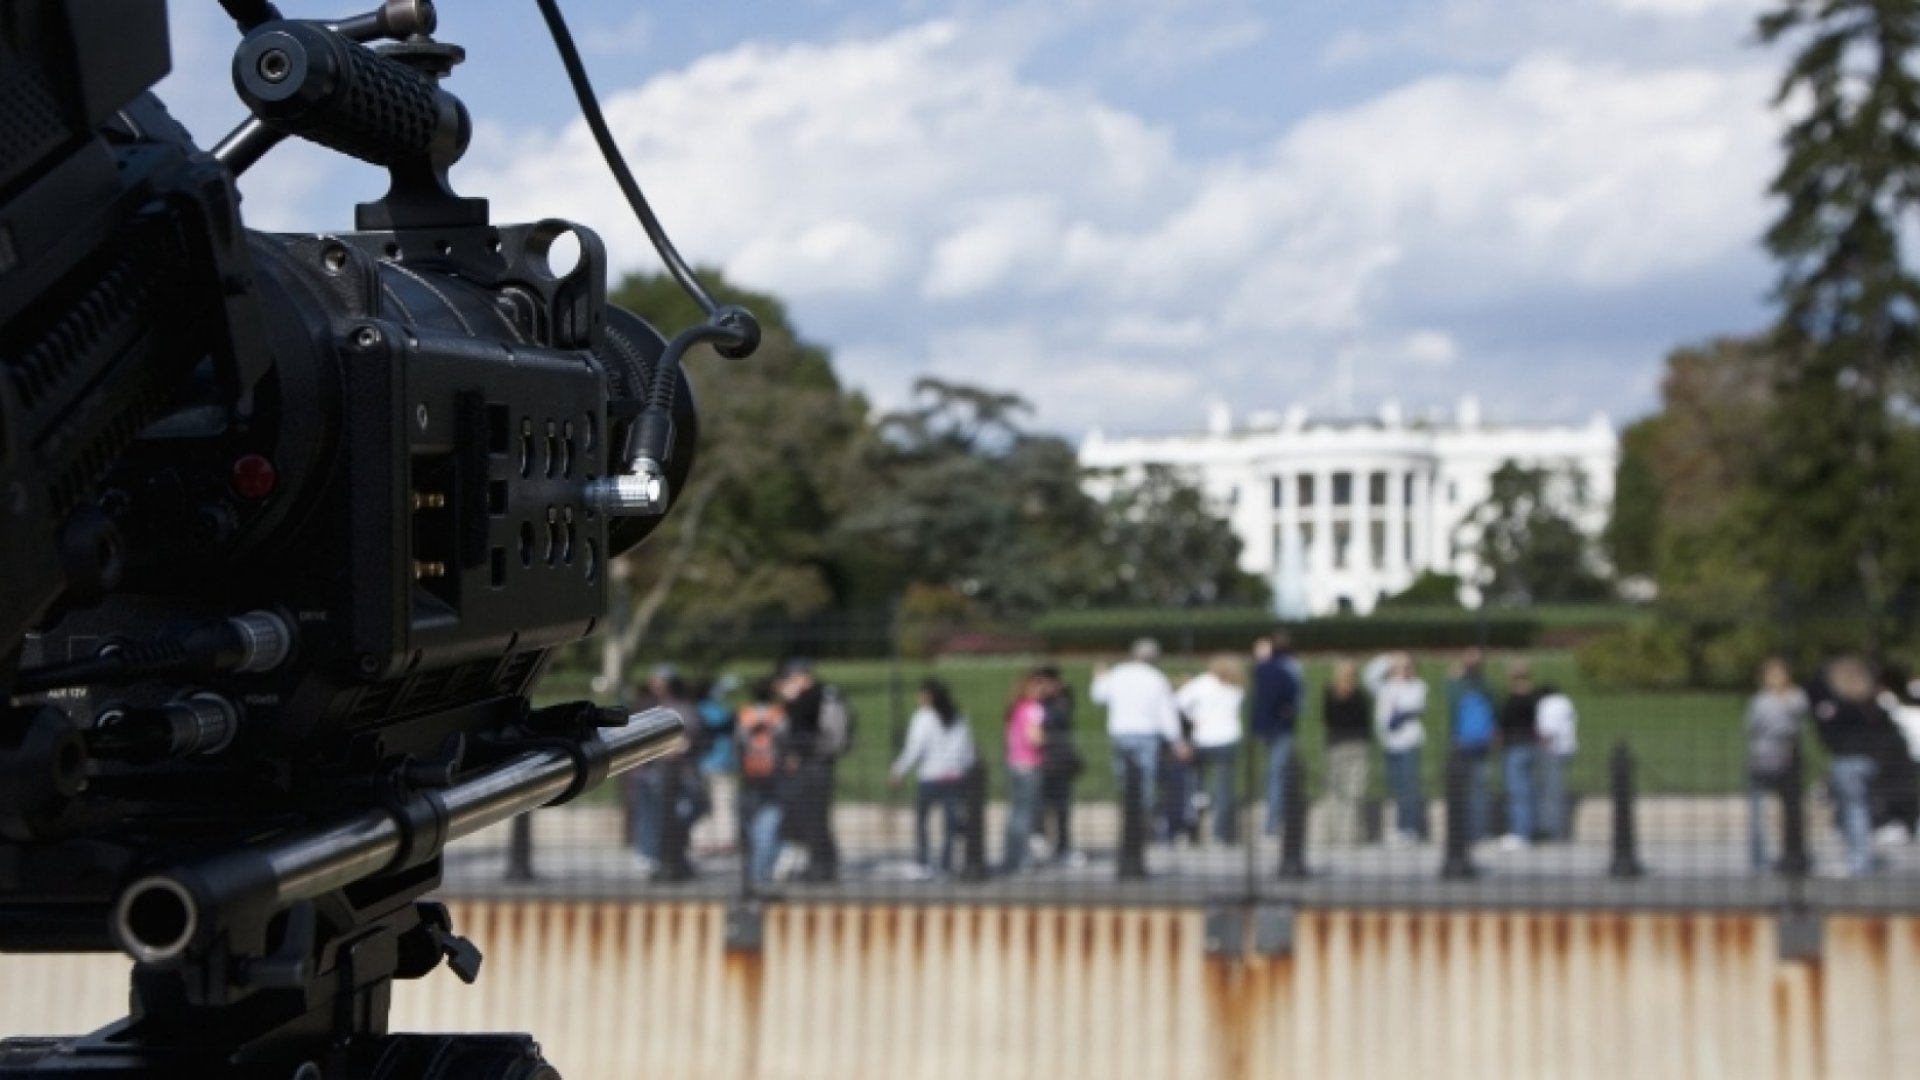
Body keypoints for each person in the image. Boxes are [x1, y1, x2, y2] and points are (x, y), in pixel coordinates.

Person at [1091, 638, 1186, 827]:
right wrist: (1177, 740)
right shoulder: (1156, 677)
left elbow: (1098, 696)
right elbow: (1166, 713)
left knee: (1124, 778)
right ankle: (1142, 823)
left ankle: (1129, 820)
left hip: (1121, 732)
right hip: (1146, 734)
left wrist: (1099, 677)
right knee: (1146, 782)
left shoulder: (1118, 673)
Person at [889, 678, 976, 879]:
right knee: (950, 825)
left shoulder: (923, 718)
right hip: (954, 777)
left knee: (922, 821)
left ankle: (922, 861)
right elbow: (967, 749)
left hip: (930, 777)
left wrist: (898, 769)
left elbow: (915, 749)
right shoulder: (959, 716)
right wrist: (963, 769)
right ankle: (946, 864)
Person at [1811, 656, 1882, 877]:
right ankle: (1857, 857)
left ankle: (1859, 862)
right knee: (1853, 810)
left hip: (1848, 760)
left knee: (1854, 811)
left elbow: (1828, 731)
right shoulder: (1867, 704)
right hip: (1866, 760)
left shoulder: (1841, 705)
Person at [779, 658, 848, 883]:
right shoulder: (801, 700)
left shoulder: (824, 697)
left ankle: (823, 865)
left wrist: (809, 750)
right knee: (809, 817)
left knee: (816, 816)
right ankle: (819, 862)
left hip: (817, 763)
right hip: (806, 764)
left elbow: (832, 735)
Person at [1744, 657, 1807, 872]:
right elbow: (1752, 725)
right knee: (1757, 815)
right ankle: (1758, 860)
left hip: (1785, 761)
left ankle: (1790, 855)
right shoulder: (1761, 700)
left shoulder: (1795, 698)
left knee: (1790, 813)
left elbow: (1795, 723)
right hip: (1761, 759)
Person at [1177, 654, 1246, 844]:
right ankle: (1220, 834)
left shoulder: (1202, 683)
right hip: (1227, 738)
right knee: (1223, 789)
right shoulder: (1236, 686)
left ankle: (1193, 830)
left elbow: (1179, 702)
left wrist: (1193, 718)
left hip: (1203, 738)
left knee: (1196, 786)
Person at [735, 678, 790, 887]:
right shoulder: (779, 715)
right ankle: (762, 870)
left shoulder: (744, 714)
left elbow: (739, 742)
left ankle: (754, 871)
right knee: (770, 822)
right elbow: (786, 740)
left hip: (750, 774)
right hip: (773, 773)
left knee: (750, 824)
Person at [1368, 652, 1428, 845]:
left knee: (1408, 787)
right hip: (1390, 744)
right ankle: (1402, 827)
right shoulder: (1386, 686)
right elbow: (1370, 675)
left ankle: (1409, 828)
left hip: (1408, 742)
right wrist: (1388, 659)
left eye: (1405, 666)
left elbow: (1410, 708)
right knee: (1396, 786)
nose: (1401, 669)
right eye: (1398, 666)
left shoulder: (1417, 686)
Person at [1250, 634, 1304, 837]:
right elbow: (1296, 700)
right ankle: (1273, 823)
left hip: (1269, 727)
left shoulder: (1265, 668)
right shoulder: (1287, 668)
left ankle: (1272, 822)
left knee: (1275, 774)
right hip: (1281, 727)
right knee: (1277, 775)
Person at [1446, 650, 1496, 847]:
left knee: (1473, 790)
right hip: (1473, 742)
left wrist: (1453, 676)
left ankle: (1474, 832)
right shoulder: (1482, 686)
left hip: (1469, 742)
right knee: (1474, 789)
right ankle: (1475, 832)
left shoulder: (1462, 686)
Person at [1322, 658, 1374, 845]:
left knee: (1338, 793)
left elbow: (1327, 719)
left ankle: (1335, 834)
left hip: (1337, 745)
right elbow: (1365, 722)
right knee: (1353, 793)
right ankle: (1349, 835)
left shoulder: (1331, 694)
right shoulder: (1361, 695)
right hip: (1356, 745)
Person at [1001, 672, 1048, 873]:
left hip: (1014, 763)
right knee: (1026, 814)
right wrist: (1047, 739)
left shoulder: (1015, 709)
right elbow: (1035, 738)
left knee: (1015, 812)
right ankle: (1023, 857)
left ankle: (1011, 854)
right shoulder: (1033, 709)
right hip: (1029, 764)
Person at [1497, 661, 1541, 851]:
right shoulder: (1533, 697)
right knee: (1527, 790)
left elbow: (1503, 722)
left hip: (1515, 746)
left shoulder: (1513, 698)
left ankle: (1520, 833)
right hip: (1529, 745)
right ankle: (1527, 830)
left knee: (1518, 791)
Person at [693, 676, 740, 855]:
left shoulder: (698, 709)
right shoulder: (718, 711)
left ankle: (703, 840)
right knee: (723, 804)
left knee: (704, 805)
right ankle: (724, 840)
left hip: (704, 763)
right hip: (720, 763)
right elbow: (724, 722)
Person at [1533, 683, 1578, 843]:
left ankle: (1553, 830)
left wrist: (1540, 750)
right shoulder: (1565, 702)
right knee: (1556, 790)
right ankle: (1557, 829)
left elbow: (1547, 731)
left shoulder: (1548, 704)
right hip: (1567, 748)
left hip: (1552, 751)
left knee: (1552, 792)